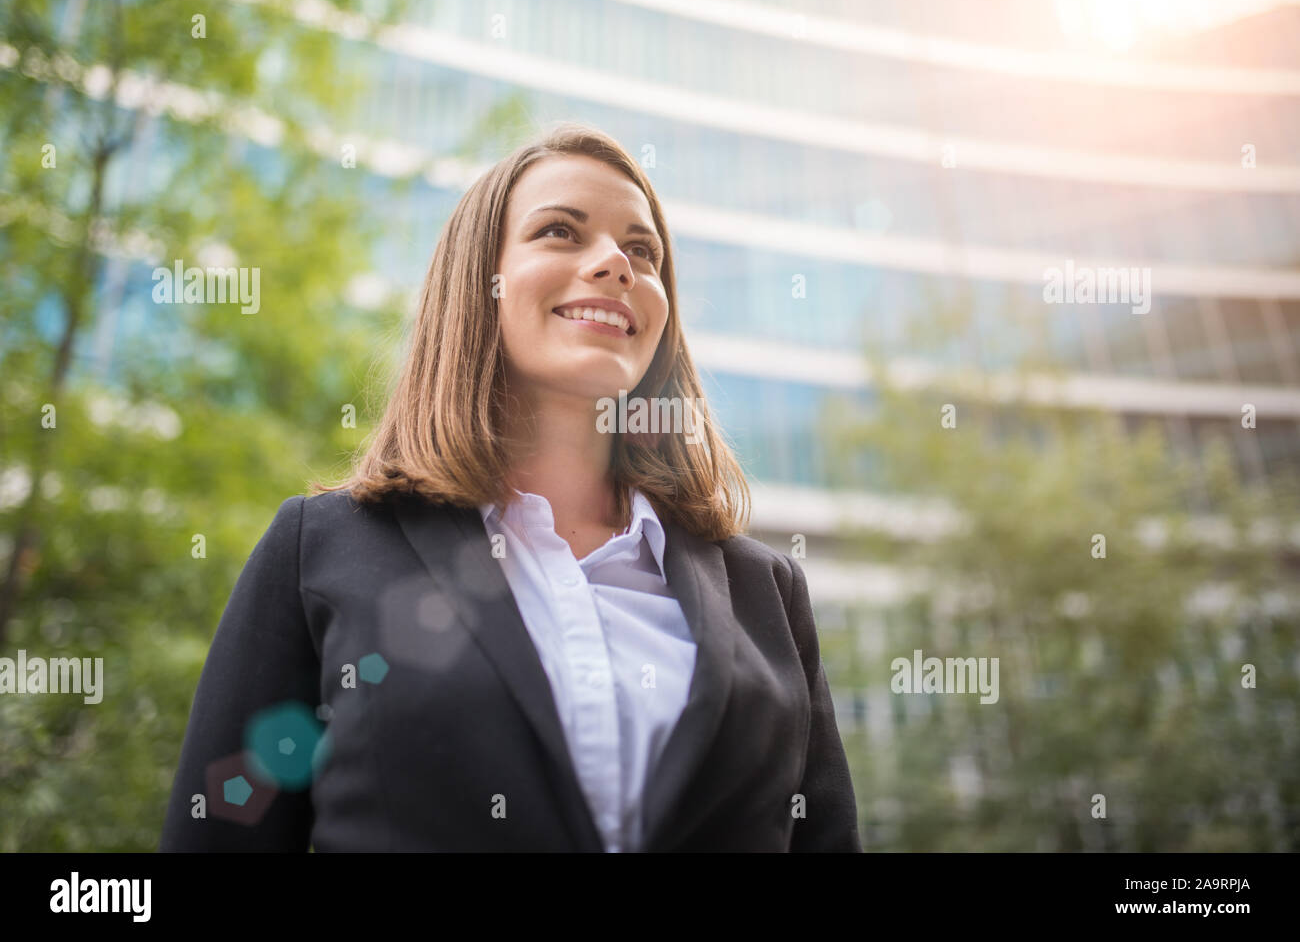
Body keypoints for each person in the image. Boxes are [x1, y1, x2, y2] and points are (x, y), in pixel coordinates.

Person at [159, 122, 860, 852]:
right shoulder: (320, 551)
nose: (616, 263)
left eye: (642, 249)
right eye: (561, 231)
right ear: (481, 285)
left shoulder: (768, 593)